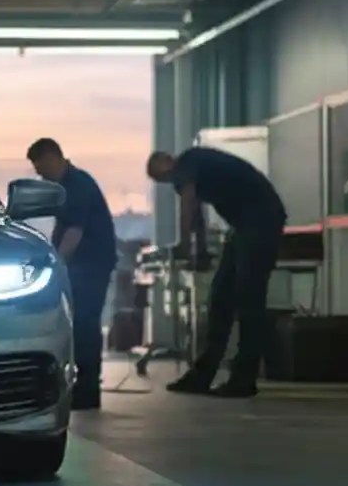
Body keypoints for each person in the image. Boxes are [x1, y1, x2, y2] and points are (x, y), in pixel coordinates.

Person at [146, 147, 287, 398]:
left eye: (164, 178)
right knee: (221, 297)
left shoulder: (188, 161)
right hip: (245, 224)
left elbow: (189, 205)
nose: (169, 183)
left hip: (260, 220)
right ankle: (202, 374)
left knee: (248, 300)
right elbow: (197, 217)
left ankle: (243, 379)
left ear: (167, 162)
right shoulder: (193, 169)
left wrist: (181, 245)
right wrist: (197, 251)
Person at [27, 138, 117, 410]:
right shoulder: (69, 184)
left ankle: (88, 391)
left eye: (40, 167)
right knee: (80, 323)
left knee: (85, 324)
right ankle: (84, 388)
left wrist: (57, 265)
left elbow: (74, 232)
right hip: (86, 263)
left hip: (90, 264)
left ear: (52, 157)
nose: (39, 174)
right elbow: (64, 229)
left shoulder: (76, 185)